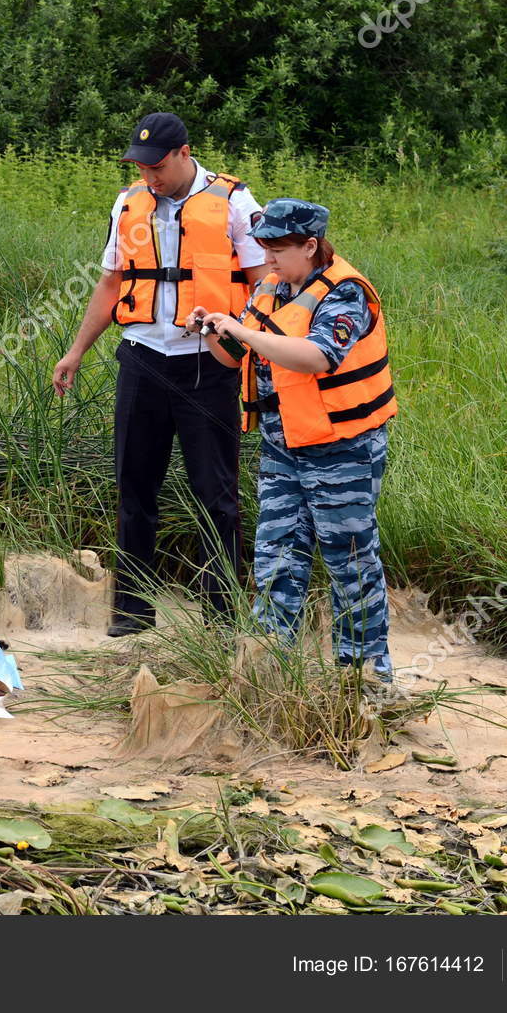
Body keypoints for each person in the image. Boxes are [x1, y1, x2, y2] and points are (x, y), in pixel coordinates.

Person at [53, 112, 266, 637]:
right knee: (134, 485)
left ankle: (221, 615)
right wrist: (77, 350)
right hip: (142, 358)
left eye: (158, 166)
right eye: (141, 167)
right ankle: (132, 611)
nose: (150, 176)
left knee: (214, 490)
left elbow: (266, 283)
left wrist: (242, 343)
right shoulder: (129, 204)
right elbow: (111, 284)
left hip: (208, 366)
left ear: (183, 152)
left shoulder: (236, 203)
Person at [192, 198, 397, 677]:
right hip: (282, 445)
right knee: (276, 556)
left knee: (350, 564)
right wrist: (213, 332)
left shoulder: (344, 292)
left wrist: (243, 330)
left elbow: (316, 357)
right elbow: (235, 357)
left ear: (310, 246)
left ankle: (366, 677)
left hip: (342, 448)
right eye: (264, 249)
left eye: (279, 250)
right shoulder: (272, 286)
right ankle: (268, 669)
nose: (269, 260)